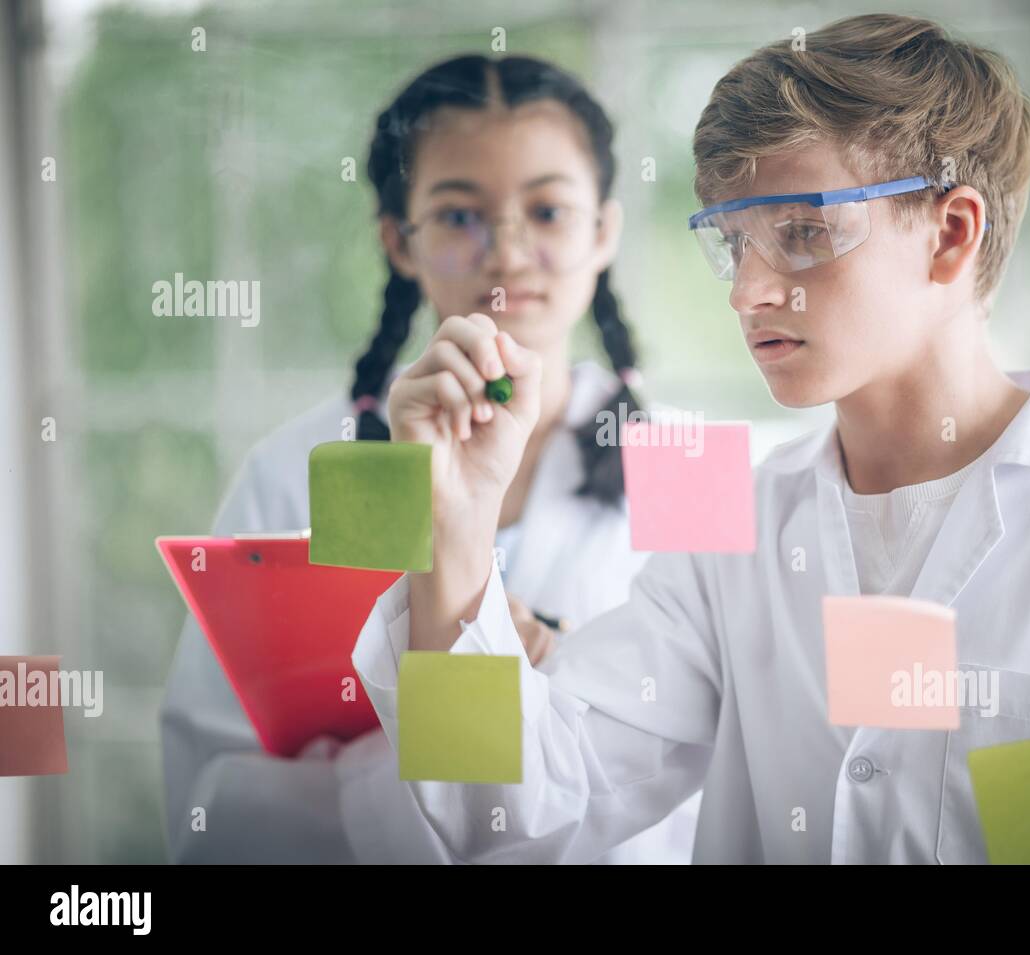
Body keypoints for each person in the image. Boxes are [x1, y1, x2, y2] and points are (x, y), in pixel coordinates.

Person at [351, 14, 1030, 863]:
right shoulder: (738, 529)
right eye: (732, 241)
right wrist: (459, 528)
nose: (746, 290)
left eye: (803, 232)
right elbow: (501, 814)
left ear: (950, 234)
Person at [160, 53, 700, 863]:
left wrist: (496, 692)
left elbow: (714, 771)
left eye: (548, 210)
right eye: (458, 215)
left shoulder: (693, 465)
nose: (508, 251)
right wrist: (456, 695)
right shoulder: (299, 467)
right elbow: (213, 795)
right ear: (397, 241)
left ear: (604, 231)